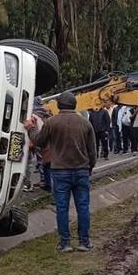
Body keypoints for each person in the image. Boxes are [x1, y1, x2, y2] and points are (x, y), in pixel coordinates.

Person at [24, 91, 97, 253]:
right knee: (83, 207)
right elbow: (92, 151)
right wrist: (89, 168)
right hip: (81, 171)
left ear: (58, 105)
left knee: (62, 208)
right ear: (75, 104)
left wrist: (31, 128)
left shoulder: (52, 122)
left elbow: (38, 141)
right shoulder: (85, 123)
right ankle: (84, 242)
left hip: (60, 172)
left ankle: (65, 243)